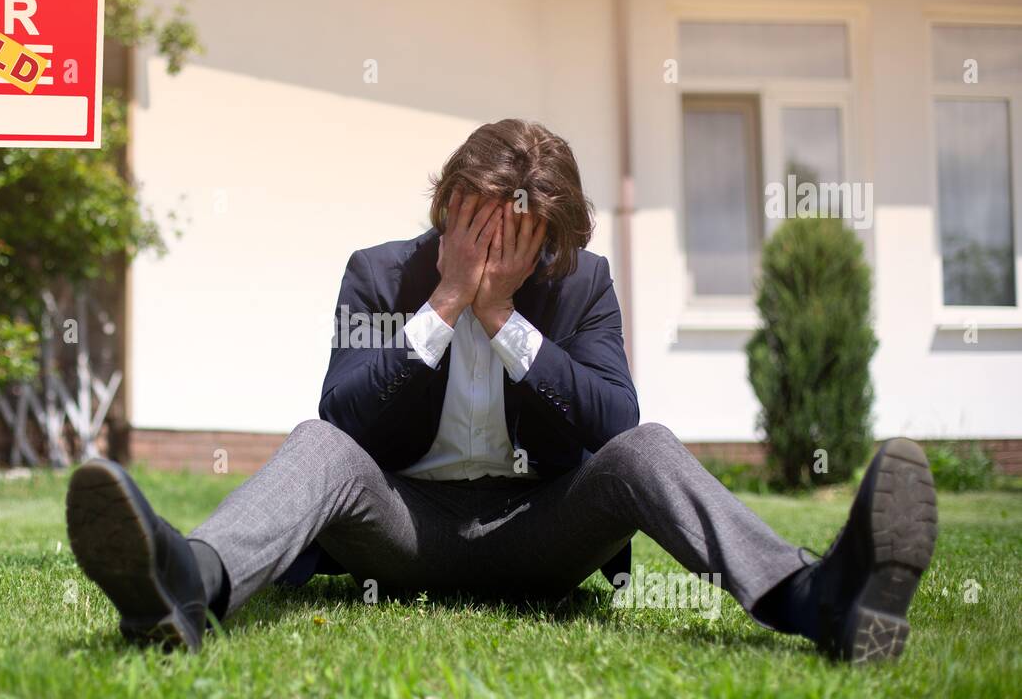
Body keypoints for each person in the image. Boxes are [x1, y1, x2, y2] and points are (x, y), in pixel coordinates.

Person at [65, 118, 938, 663]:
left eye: (524, 240)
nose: (499, 253)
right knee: (317, 441)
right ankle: (184, 581)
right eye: (481, 229)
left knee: (650, 447)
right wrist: (446, 304)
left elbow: (613, 420)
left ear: (554, 239)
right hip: (401, 529)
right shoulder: (379, 274)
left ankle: (818, 599)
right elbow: (345, 414)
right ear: (447, 205)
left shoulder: (579, 283)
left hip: (541, 531)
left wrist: (506, 318)